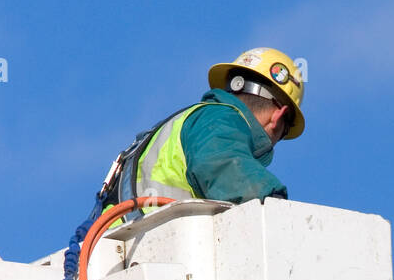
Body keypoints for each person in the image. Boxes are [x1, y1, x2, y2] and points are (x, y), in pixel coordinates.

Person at [106, 48, 304, 215]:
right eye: (285, 132)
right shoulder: (218, 120)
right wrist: (275, 203)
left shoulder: (192, 120)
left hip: (119, 243)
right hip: (144, 244)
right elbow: (224, 166)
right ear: (279, 117)